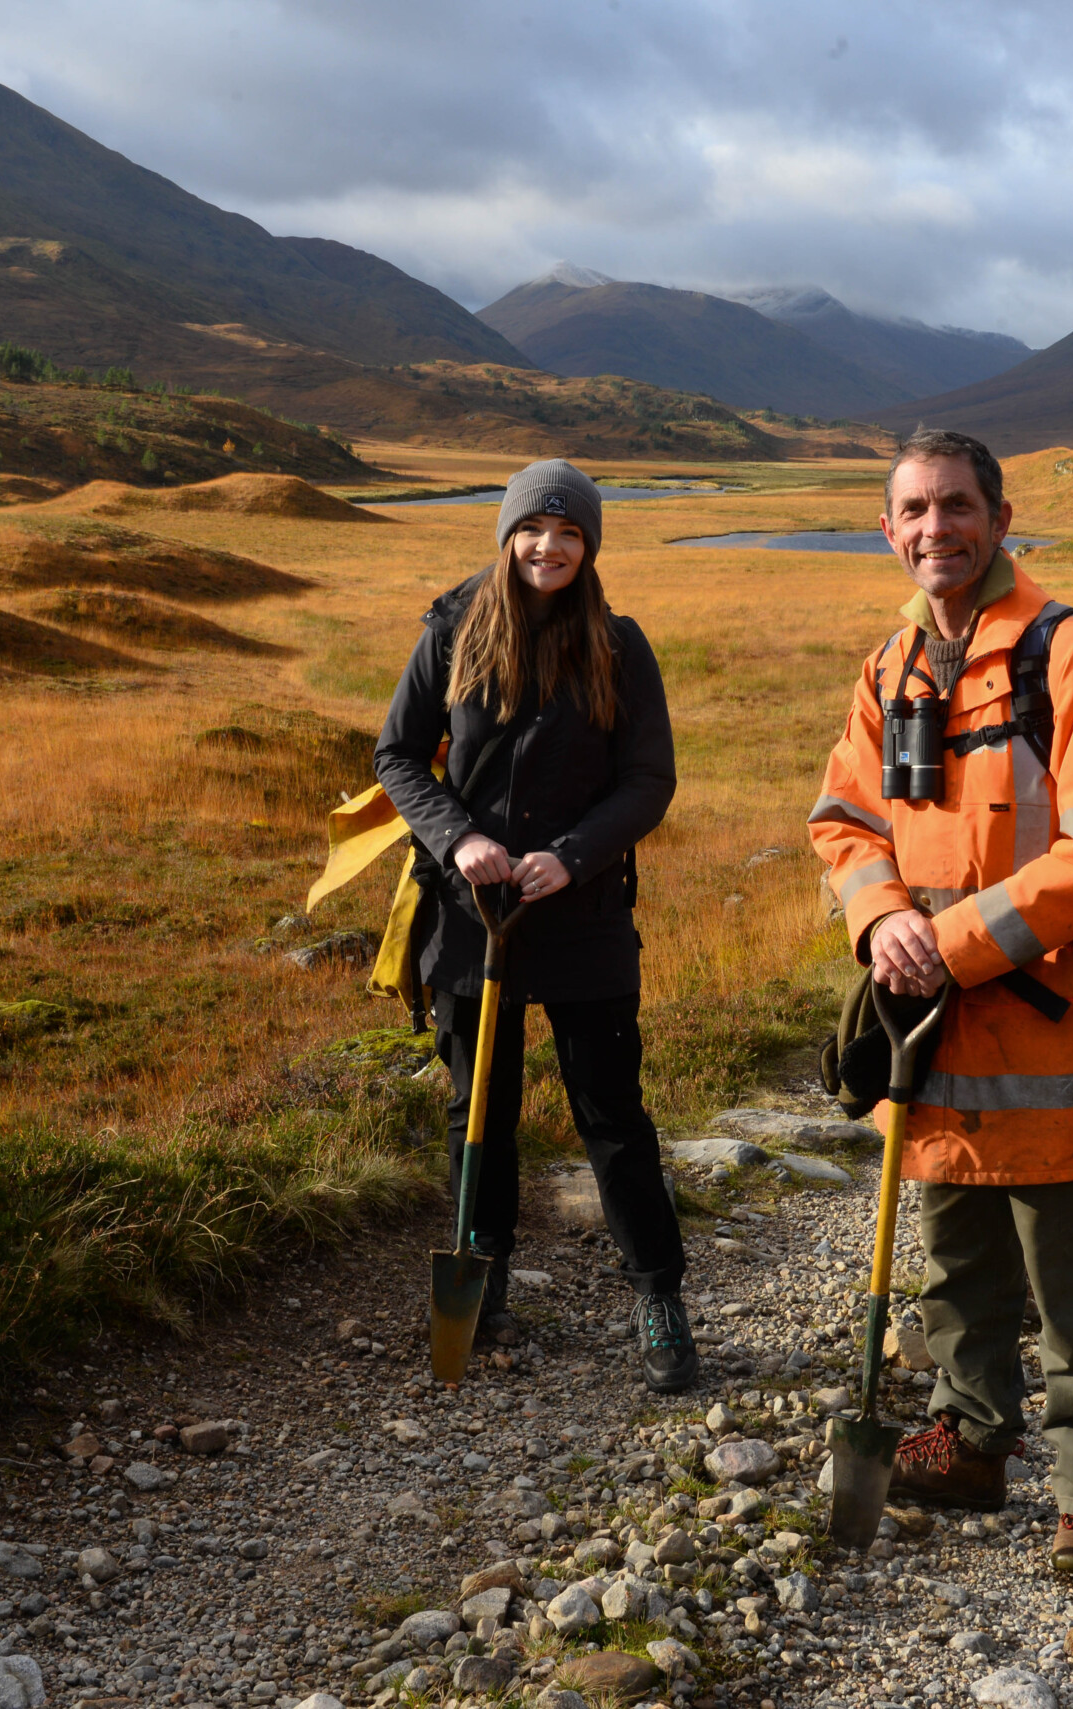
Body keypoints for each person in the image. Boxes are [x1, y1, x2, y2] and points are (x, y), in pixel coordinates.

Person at [807, 429, 1073, 1579]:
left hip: (1058, 1032)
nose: (936, 528)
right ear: (888, 529)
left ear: (998, 514)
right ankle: (970, 1441)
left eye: (957, 505)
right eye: (914, 510)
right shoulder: (887, 671)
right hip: (933, 1039)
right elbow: (844, 819)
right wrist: (881, 919)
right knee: (957, 1271)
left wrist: (955, 943)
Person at [372, 459, 699, 1393]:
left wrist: (573, 855)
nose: (548, 547)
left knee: (614, 1116)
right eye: (533, 530)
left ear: (589, 544)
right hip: (473, 920)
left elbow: (649, 780)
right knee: (480, 1115)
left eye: (568, 533)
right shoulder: (451, 629)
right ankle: (485, 1285)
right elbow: (397, 754)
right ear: (507, 535)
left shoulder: (620, 645)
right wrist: (458, 837)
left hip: (584, 916)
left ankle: (659, 1297)